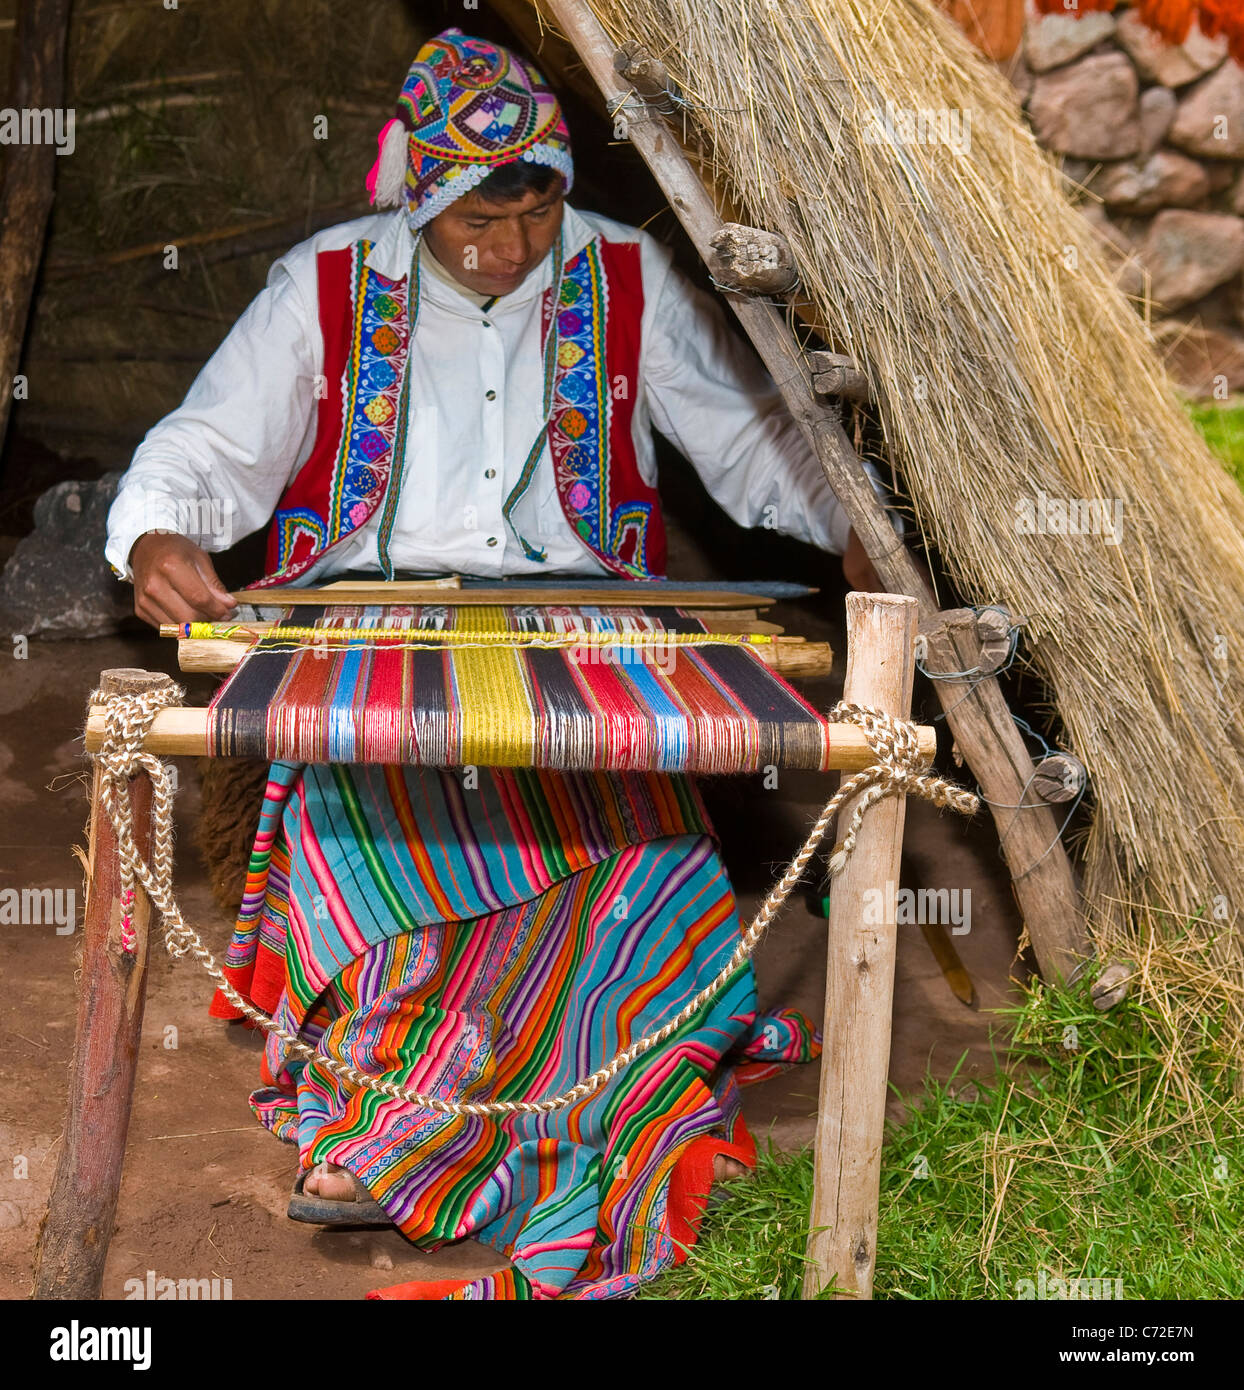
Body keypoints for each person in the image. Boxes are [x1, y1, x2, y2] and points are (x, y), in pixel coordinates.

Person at [105, 29, 890, 1300]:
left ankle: (611, 1076)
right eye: (479, 215)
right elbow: (208, 442)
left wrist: (850, 524)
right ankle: (394, 1126)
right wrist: (155, 530)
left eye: (536, 210)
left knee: (624, 815)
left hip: (582, 628)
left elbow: (752, 446)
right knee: (395, 811)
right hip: (373, 626)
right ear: (419, 191)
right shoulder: (326, 283)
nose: (513, 245)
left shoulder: (626, 278)